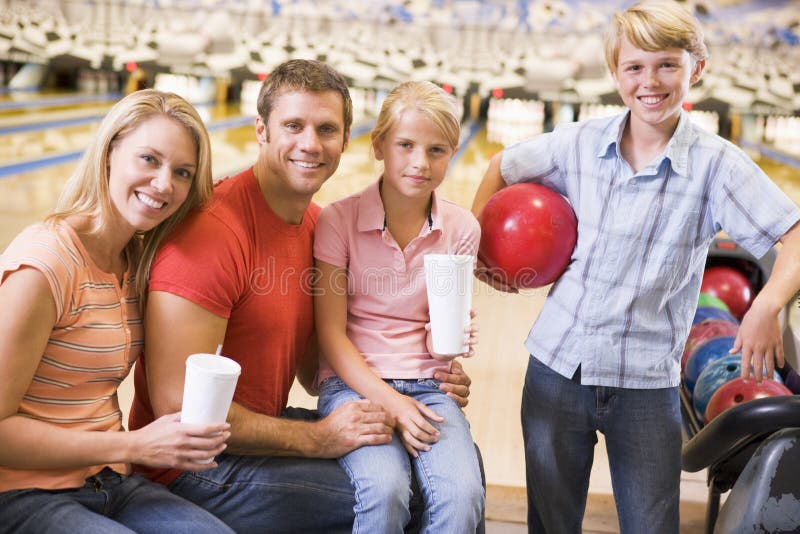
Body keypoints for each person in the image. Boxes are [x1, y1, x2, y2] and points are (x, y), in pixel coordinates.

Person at [471, 2, 800, 533]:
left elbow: (796, 235)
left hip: (646, 382)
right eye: (635, 67)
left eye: (667, 64)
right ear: (615, 74)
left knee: (652, 525)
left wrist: (767, 304)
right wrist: (482, 255)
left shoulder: (717, 164)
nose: (650, 81)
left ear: (696, 69)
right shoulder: (579, 142)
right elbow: (499, 164)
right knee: (550, 523)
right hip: (558, 367)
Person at [128, 60, 477, 533]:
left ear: (346, 140)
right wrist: (317, 439)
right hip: (195, 469)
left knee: (457, 464)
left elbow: (317, 375)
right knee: (410, 498)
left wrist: (424, 376)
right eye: (293, 125)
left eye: (326, 129)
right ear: (261, 130)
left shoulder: (317, 225)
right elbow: (179, 404)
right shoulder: (213, 234)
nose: (311, 144)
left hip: (255, 435)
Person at [0, 89, 233, 534]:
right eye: (149, 159)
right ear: (109, 153)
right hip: (22, 493)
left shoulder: (135, 261)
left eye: (182, 172)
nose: (164, 184)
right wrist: (137, 445)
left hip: (108, 479)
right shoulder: (44, 265)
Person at [314, 81, 485, 533]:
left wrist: (451, 339)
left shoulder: (462, 227)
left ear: (453, 154)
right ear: (379, 146)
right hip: (352, 385)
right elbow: (330, 335)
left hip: (428, 386)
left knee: (463, 497)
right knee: (385, 490)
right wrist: (392, 403)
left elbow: (437, 330)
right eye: (405, 145)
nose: (419, 162)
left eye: (437, 150)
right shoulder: (338, 220)